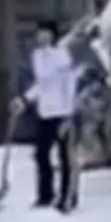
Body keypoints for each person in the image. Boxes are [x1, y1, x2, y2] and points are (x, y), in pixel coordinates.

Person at [18, 21, 78, 210]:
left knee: (64, 157)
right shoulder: (37, 56)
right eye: (39, 34)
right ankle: (45, 195)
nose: (42, 38)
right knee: (41, 155)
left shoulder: (62, 57)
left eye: (46, 34)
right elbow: (42, 85)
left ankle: (67, 197)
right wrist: (25, 100)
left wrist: (69, 115)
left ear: (53, 36)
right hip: (45, 112)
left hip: (61, 112)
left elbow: (69, 86)